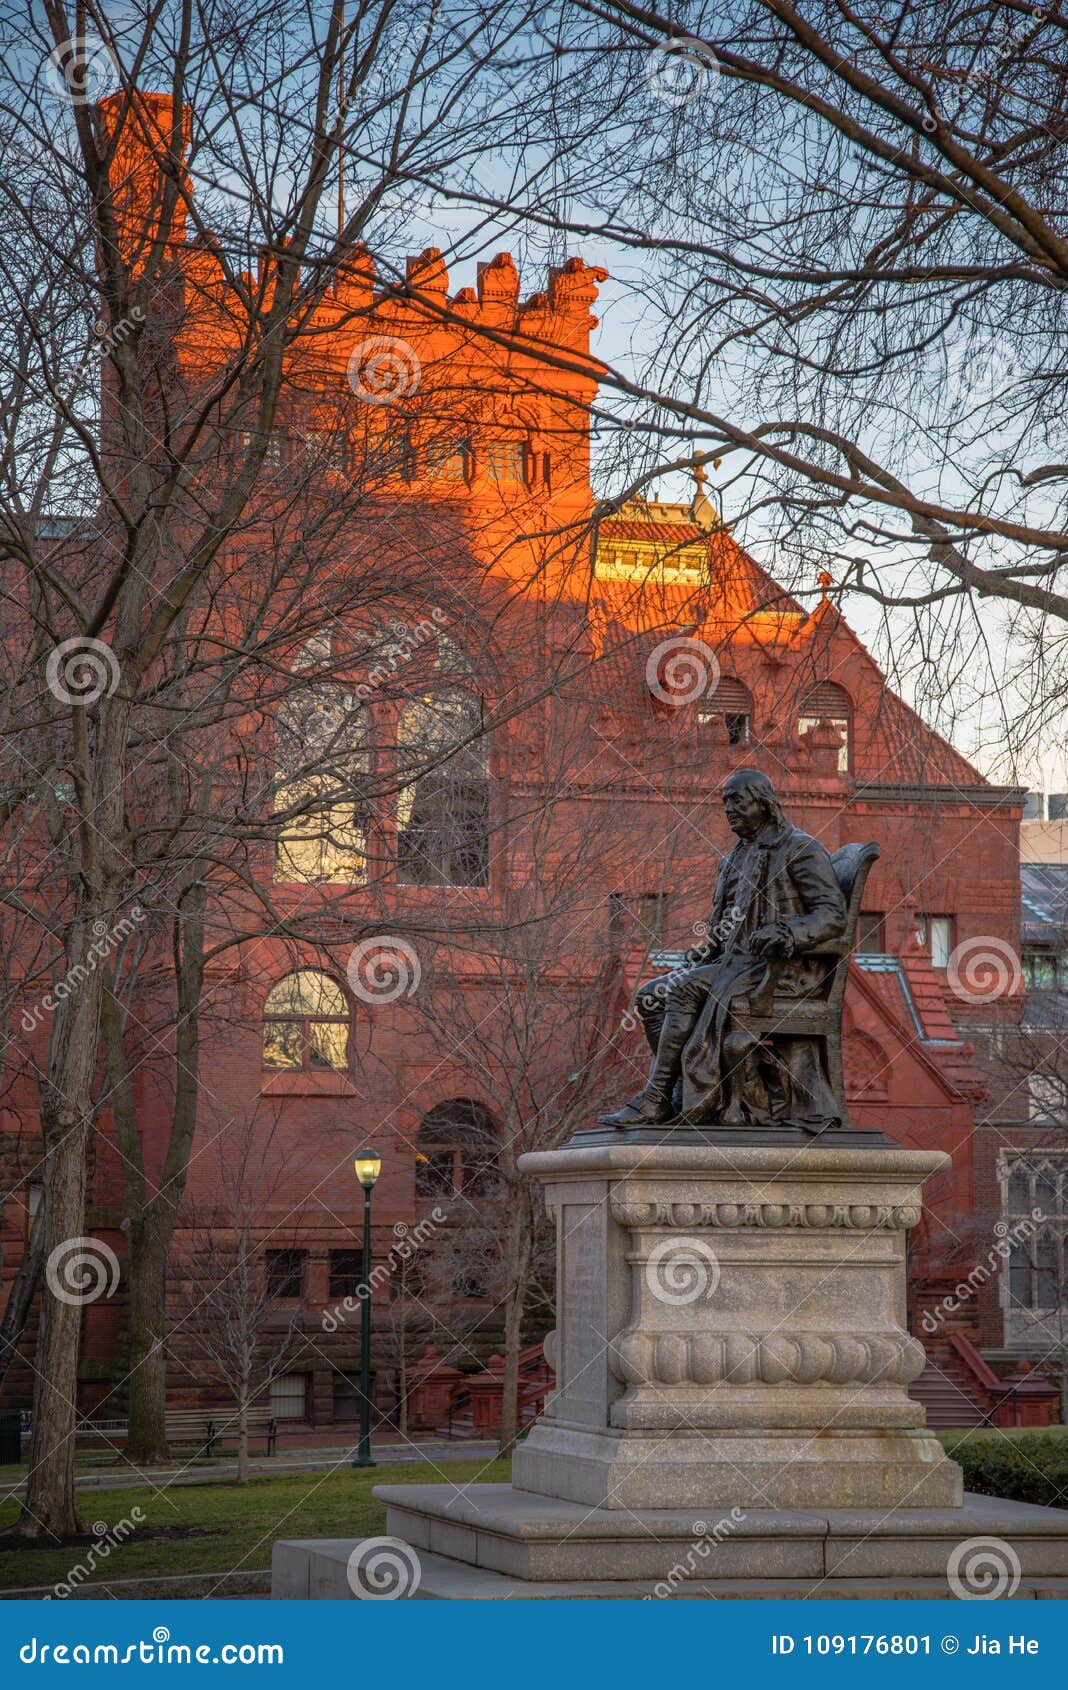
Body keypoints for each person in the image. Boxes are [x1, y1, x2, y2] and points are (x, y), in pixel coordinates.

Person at [600, 769, 847, 1130]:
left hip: (782, 971)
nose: (728, 809)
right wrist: (706, 951)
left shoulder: (800, 849)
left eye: (737, 800)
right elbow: (726, 926)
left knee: (683, 989)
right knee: (650, 996)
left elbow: (832, 916)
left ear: (763, 802)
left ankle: (654, 1100)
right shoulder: (734, 858)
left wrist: (786, 931)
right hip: (734, 965)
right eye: (725, 801)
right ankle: (675, 1097)